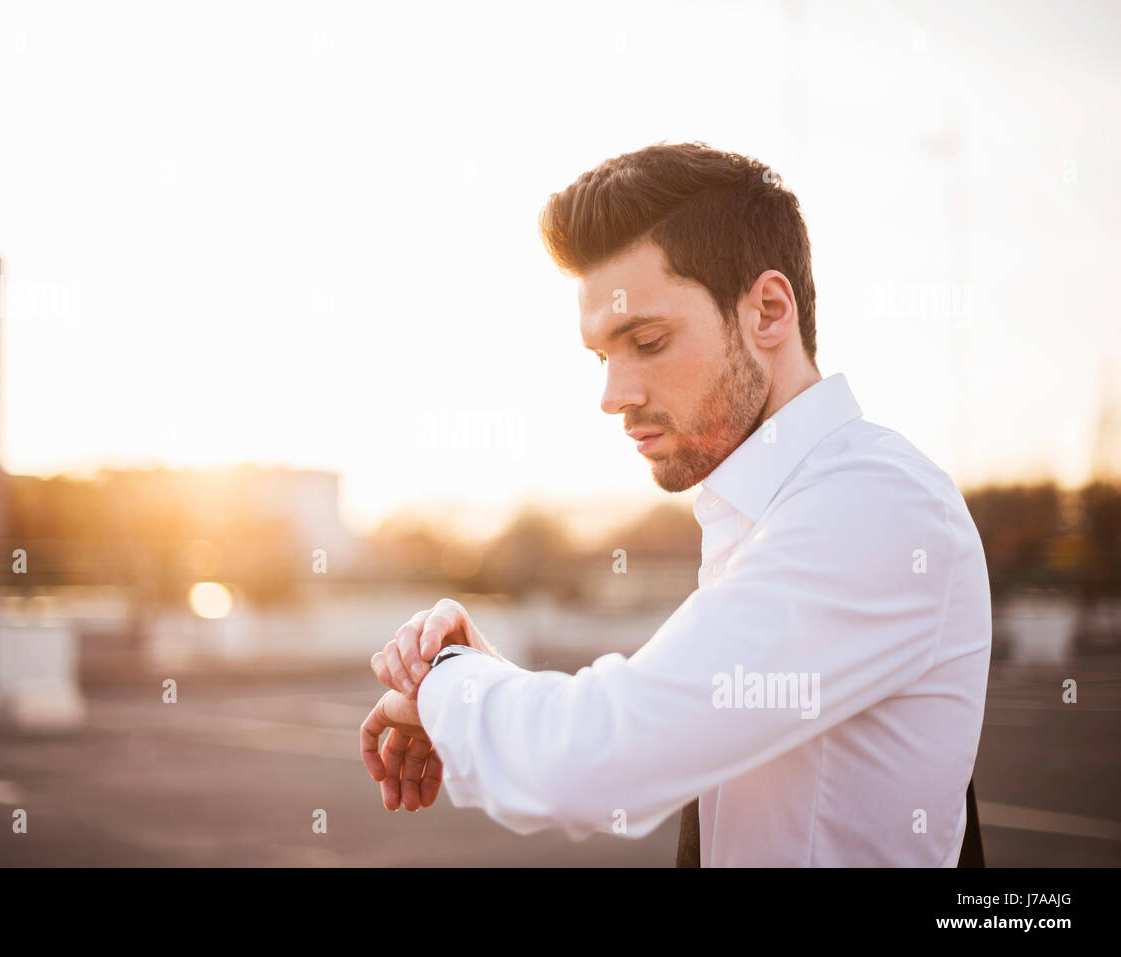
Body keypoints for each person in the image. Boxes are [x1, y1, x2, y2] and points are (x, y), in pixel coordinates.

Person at [358, 141, 992, 866]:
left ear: (769, 311)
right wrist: (486, 679)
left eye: (647, 340)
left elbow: (600, 762)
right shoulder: (768, 511)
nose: (611, 395)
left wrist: (445, 682)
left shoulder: (874, 505)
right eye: (602, 356)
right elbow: (657, 721)